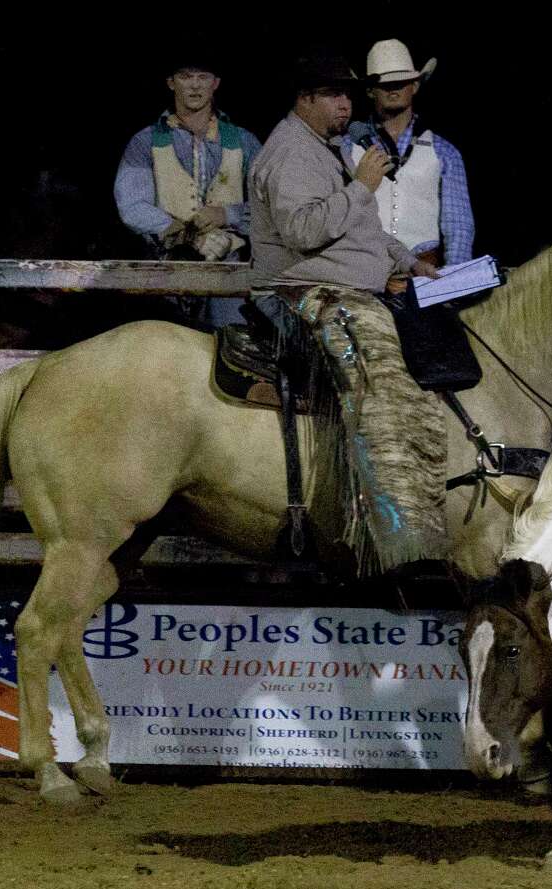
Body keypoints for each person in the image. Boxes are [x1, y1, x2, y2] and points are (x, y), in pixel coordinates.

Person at [248, 55, 443, 570]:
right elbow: (303, 232)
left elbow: (363, 229)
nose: (345, 106)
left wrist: (411, 263)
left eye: (349, 97)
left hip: (345, 286)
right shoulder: (291, 153)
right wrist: (362, 187)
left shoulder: (323, 149)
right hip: (307, 293)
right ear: (305, 100)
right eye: (334, 96)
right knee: (379, 381)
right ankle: (392, 527)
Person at [114, 52, 262, 329]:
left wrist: (227, 215)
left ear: (215, 83)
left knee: (231, 347)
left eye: (203, 77)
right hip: (167, 269)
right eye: (185, 77)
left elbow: (270, 206)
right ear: (171, 83)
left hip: (229, 270)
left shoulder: (244, 141)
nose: (194, 86)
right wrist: (184, 234)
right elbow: (132, 205)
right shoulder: (146, 141)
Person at [343, 39, 474, 271]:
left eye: (401, 82)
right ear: (370, 91)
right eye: (384, 84)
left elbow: (458, 223)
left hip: (425, 269)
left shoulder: (444, 151)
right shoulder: (347, 146)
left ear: (415, 86)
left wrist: (454, 277)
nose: (393, 89)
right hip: (363, 268)